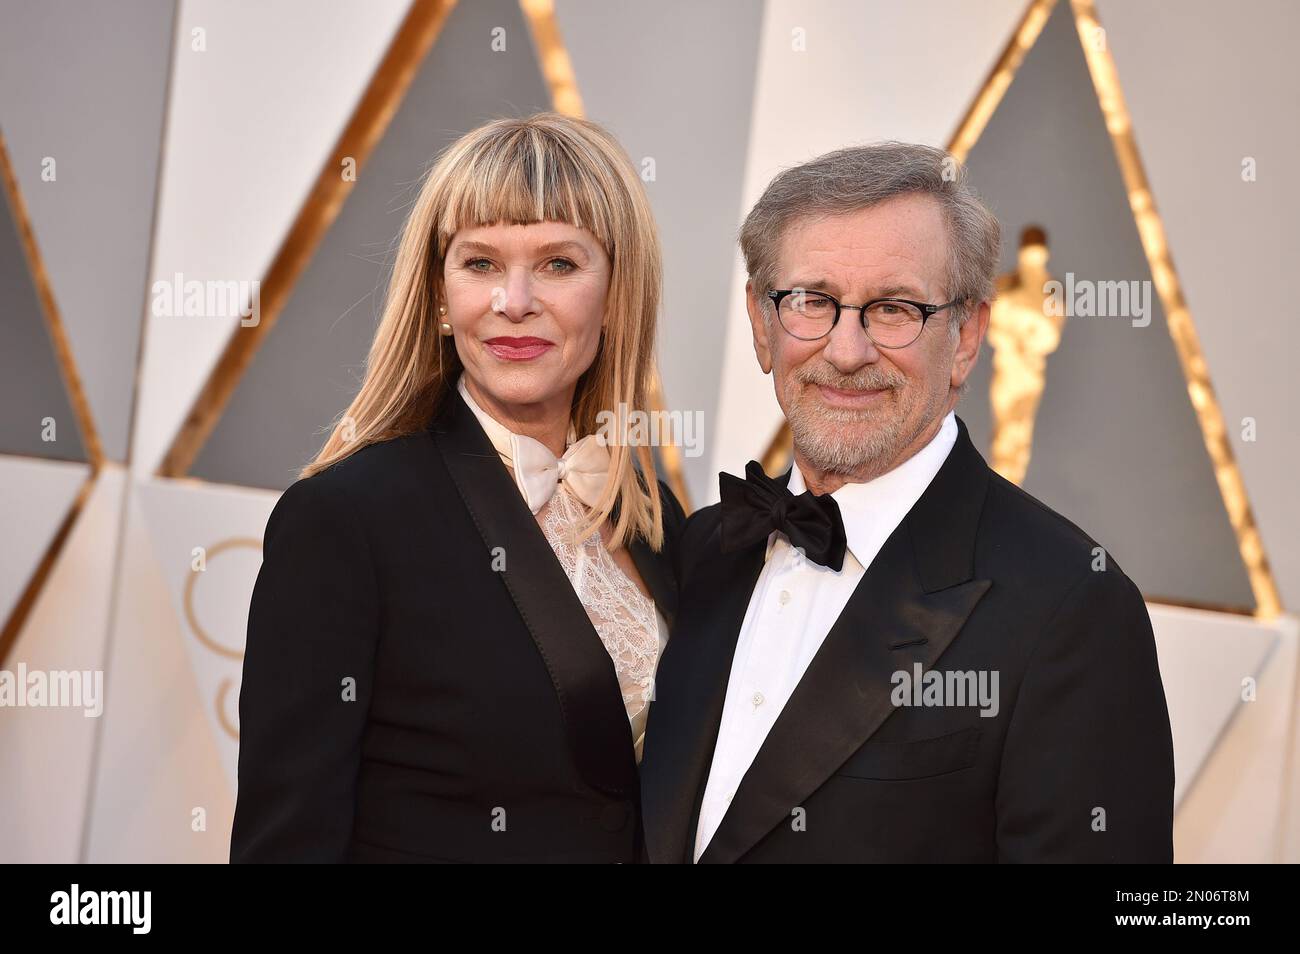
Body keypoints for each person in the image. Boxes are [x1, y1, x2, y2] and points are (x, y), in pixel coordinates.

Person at [640, 142, 1175, 863]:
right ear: (763, 325)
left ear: (967, 338)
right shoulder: (706, 549)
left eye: (893, 309)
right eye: (811, 301)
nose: (847, 349)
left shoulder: (1072, 609)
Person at [231, 113, 684, 863]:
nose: (513, 301)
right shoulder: (346, 519)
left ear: (616, 293)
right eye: (479, 263)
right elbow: (287, 843)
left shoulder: (649, 512)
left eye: (558, 264)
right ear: (439, 296)